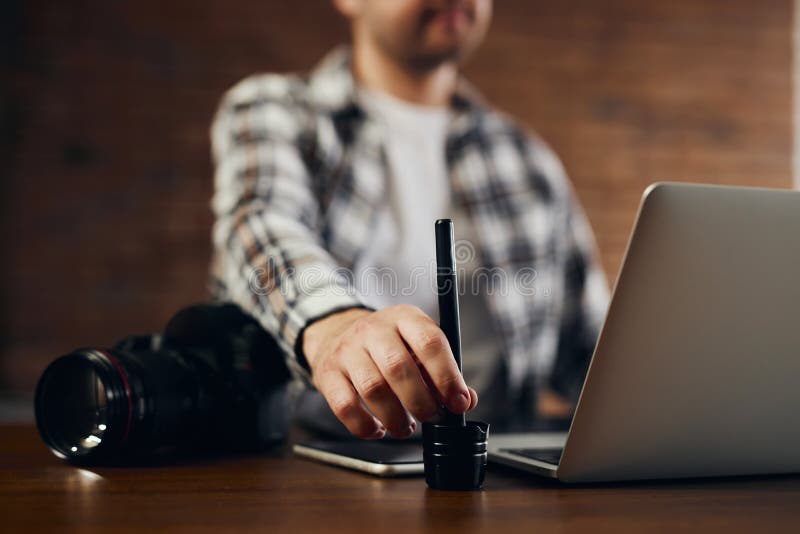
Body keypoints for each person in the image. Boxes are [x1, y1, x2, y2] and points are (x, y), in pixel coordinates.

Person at [209, 0, 609, 440]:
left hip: (501, 473)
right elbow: (262, 230)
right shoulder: (276, 112)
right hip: (319, 462)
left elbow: (591, 351)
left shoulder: (526, 158)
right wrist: (335, 325)